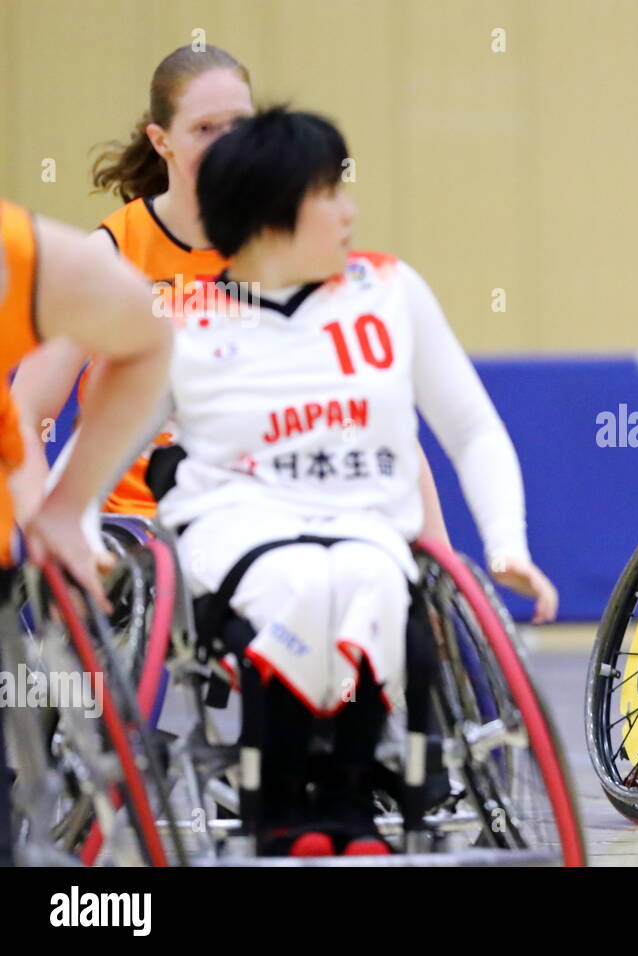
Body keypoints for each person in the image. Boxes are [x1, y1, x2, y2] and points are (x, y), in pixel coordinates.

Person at [155, 107, 556, 855]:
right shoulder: (184, 322)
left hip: (361, 521)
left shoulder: (390, 290)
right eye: (330, 192)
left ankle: (346, 807)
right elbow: (102, 444)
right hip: (240, 528)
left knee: (371, 579)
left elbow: (471, 428)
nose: (352, 210)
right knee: (300, 581)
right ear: (274, 212)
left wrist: (506, 543)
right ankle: (276, 806)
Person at [7, 45, 457, 552]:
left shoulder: (287, 249)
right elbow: (25, 413)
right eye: (204, 129)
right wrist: (46, 525)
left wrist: (435, 545)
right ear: (162, 141)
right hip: (137, 529)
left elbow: (365, 401)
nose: (226, 146)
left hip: (271, 511)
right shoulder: (112, 253)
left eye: (239, 126)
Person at [0, 199, 173, 866]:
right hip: (131, 520)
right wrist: (67, 506)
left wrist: (60, 508)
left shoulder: (300, 269)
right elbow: (33, 408)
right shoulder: (116, 243)